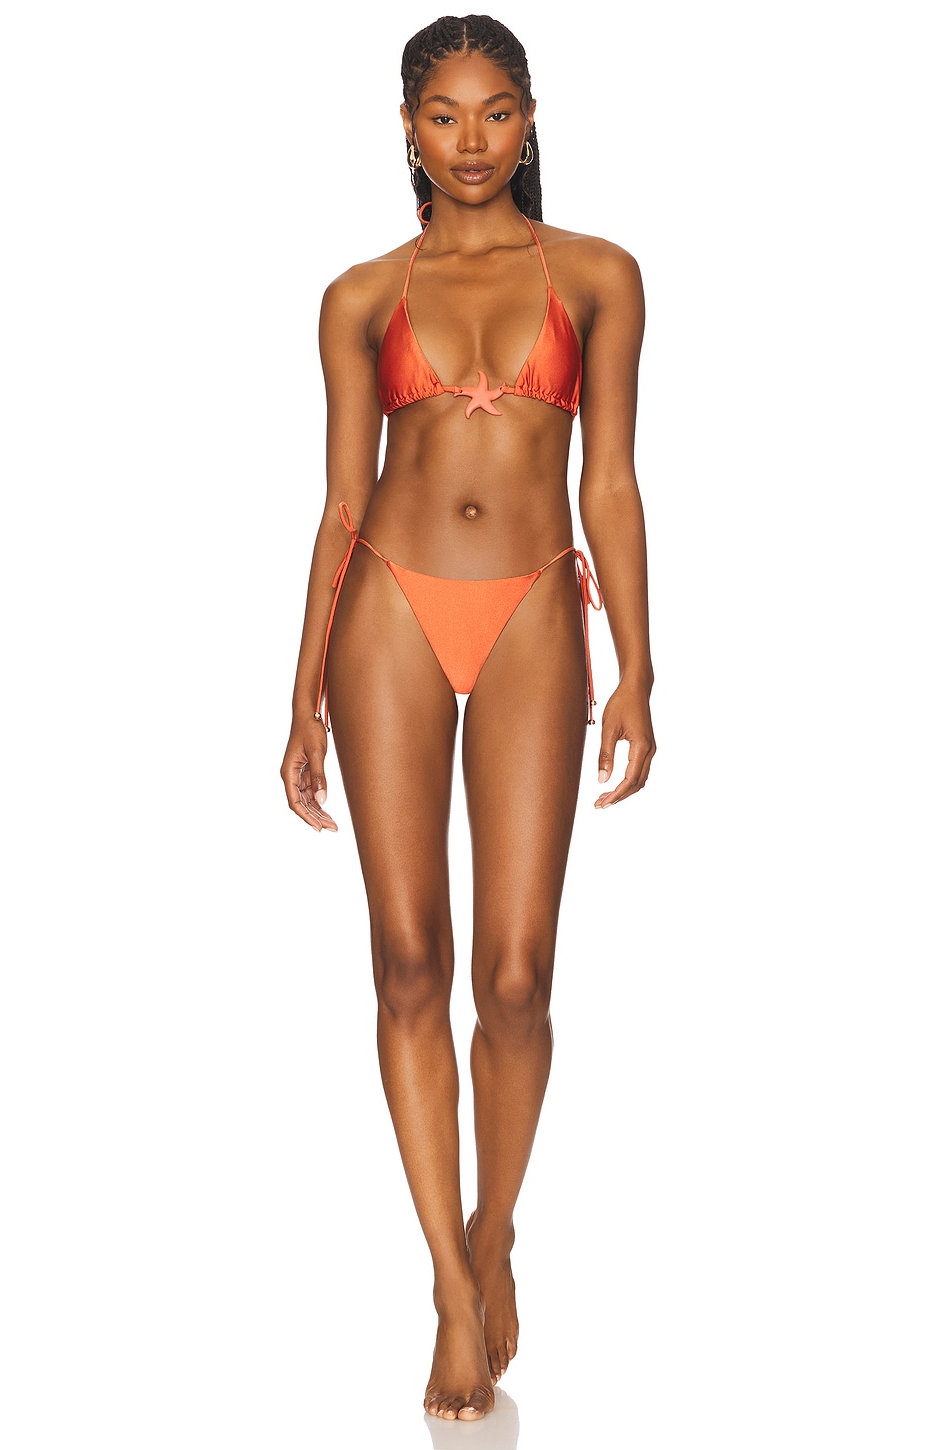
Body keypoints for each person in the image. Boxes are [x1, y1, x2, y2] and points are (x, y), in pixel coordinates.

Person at [280, 13, 655, 1422]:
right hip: (386, 602)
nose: (473, 139)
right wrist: (299, 694)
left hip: (535, 612)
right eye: (444, 115)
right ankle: (450, 1281)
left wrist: (640, 665)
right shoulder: (360, 295)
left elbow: (609, 480)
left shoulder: (600, 276)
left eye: (497, 111)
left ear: (533, 117)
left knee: (515, 977)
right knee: (406, 961)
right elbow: (338, 501)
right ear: (407, 131)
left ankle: (499, 1227)